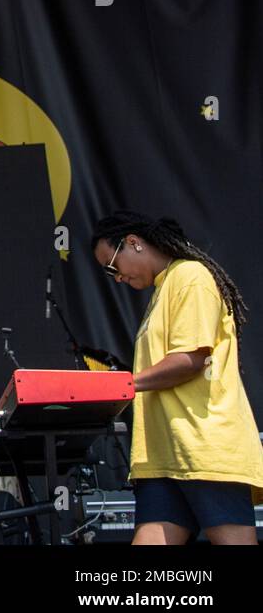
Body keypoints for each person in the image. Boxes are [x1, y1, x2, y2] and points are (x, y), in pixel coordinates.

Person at [92, 211, 262, 545]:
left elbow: (190, 359)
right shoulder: (163, 289)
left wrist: (122, 384)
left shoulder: (191, 277)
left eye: (113, 266)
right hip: (162, 457)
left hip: (202, 448)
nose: (116, 278)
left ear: (133, 243)